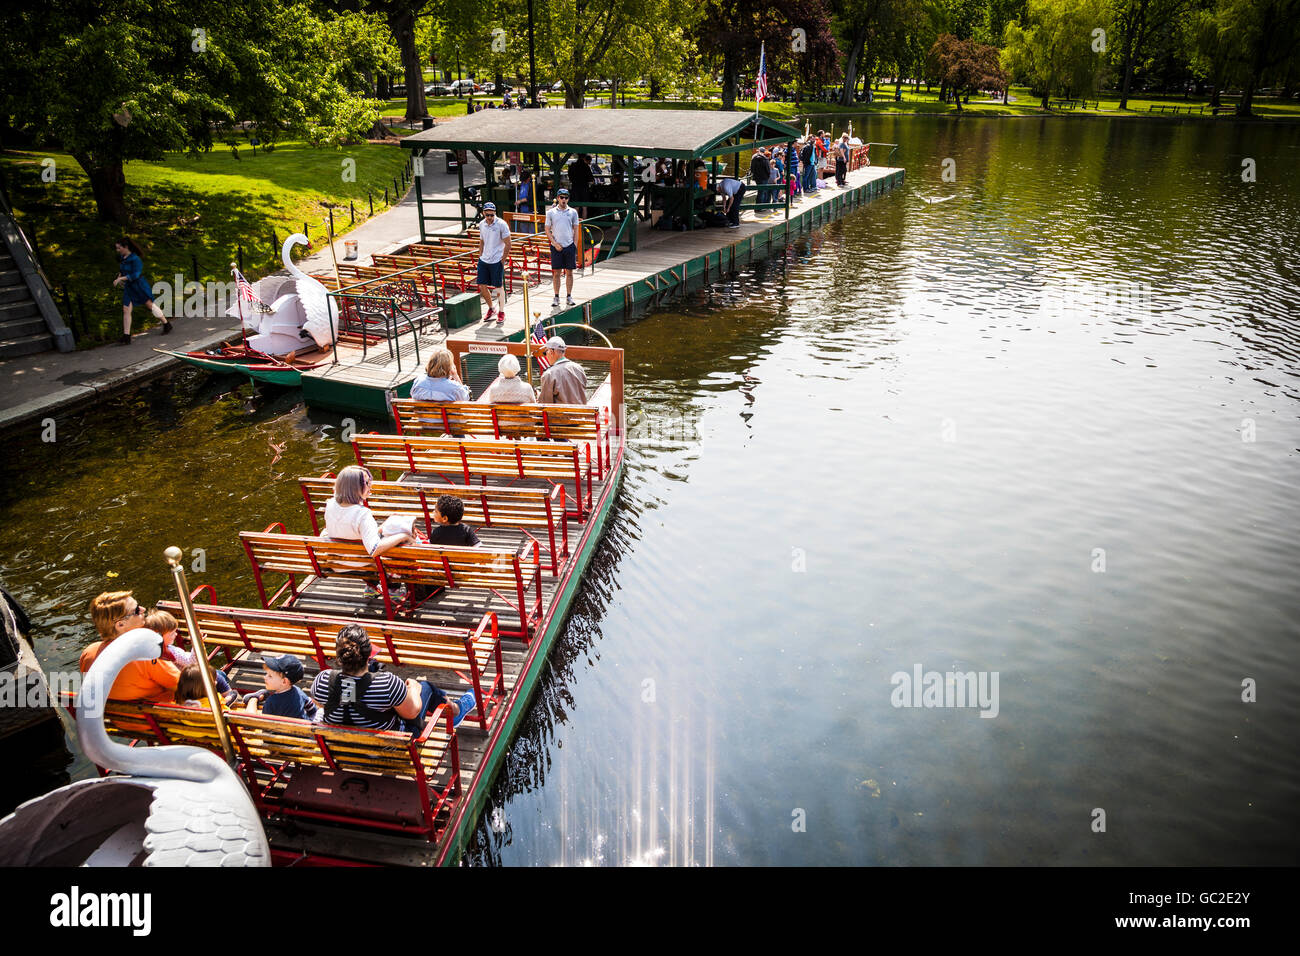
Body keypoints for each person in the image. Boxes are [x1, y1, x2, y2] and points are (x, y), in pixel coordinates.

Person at [311, 625, 475, 733]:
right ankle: (457, 711)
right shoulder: (387, 683)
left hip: (343, 750)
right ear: (369, 655)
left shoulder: (322, 680)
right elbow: (412, 712)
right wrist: (414, 688)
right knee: (426, 687)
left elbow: (331, 702)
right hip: (387, 751)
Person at [324, 465, 416, 598]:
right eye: (367, 483)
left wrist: (383, 526)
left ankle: (371, 587)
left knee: (383, 534)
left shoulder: (331, 504)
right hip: (361, 565)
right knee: (395, 548)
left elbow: (350, 534)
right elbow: (374, 549)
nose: (370, 486)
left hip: (338, 563)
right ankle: (393, 590)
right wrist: (403, 535)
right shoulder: (362, 514)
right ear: (354, 487)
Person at [80, 591, 181, 704]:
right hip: (157, 719)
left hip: (115, 719)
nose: (143, 609)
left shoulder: (88, 654)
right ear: (120, 625)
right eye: (136, 611)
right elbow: (182, 685)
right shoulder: (147, 654)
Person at [146, 606, 239, 703]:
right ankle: (228, 697)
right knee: (216, 676)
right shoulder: (171, 652)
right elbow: (193, 663)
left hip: (178, 686)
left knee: (220, 673)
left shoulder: (149, 653)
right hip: (190, 684)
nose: (176, 635)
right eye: (172, 633)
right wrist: (197, 644)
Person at [112, 238, 171, 345]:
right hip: (129, 287)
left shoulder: (135, 259)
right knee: (126, 309)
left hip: (138, 286)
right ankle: (126, 336)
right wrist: (119, 277)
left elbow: (136, 275)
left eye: (119, 248)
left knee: (150, 305)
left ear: (125, 247)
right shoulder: (123, 257)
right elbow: (122, 270)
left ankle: (166, 324)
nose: (117, 250)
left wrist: (121, 279)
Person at [244, 654, 317, 720]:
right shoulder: (298, 691)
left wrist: (252, 701)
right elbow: (312, 708)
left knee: (249, 719)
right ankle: (261, 695)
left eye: (270, 676)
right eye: (266, 674)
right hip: (303, 731)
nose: (265, 677)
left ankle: (253, 699)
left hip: (279, 733)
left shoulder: (271, 702)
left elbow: (264, 723)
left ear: (284, 681)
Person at [476, 202, 512, 324]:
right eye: (487, 215)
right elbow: (481, 241)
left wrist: (502, 260)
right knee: (482, 285)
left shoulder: (502, 224)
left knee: (498, 287)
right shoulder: (482, 224)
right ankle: (491, 308)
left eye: (492, 215)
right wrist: (480, 256)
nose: (490, 217)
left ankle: (501, 311)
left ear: (495, 213)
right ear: (484, 214)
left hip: (496, 259)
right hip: (484, 259)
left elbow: (508, 243)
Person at [546, 187, 580, 309]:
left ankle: (569, 296)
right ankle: (556, 296)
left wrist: (574, 245)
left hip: (569, 245)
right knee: (556, 273)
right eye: (562, 197)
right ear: (558, 198)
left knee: (569, 272)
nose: (564, 200)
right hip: (556, 246)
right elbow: (547, 229)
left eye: (566, 197)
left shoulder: (573, 212)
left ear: (568, 199)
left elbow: (576, 229)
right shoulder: (551, 212)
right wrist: (554, 243)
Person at [538, 335, 587, 405]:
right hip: (582, 414)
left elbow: (545, 404)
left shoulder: (549, 374)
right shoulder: (579, 368)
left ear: (551, 352)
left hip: (561, 415)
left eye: (545, 352)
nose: (545, 355)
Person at [515, 169, 535, 235]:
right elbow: (519, 189)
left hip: (530, 209)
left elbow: (530, 197)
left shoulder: (532, 185)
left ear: (529, 178)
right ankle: (525, 242)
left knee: (531, 229)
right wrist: (516, 185)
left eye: (525, 180)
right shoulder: (522, 184)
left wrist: (520, 201)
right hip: (522, 209)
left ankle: (532, 242)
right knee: (523, 228)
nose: (524, 181)